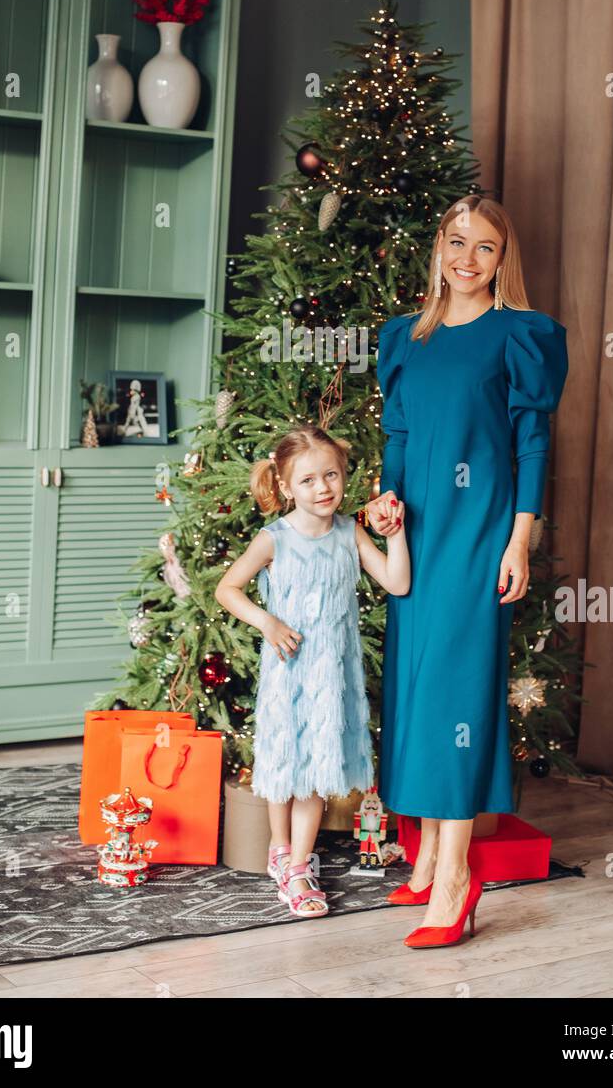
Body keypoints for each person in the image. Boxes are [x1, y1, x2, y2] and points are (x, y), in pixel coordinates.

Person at [367, 194, 569, 949]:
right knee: (417, 686)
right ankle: (424, 863)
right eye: (457, 241)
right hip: (417, 534)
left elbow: (532, 447)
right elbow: (399, 440)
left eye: (485, 248)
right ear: (439, 247)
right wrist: (384, 507)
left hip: (480, 532)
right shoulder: (404, 339)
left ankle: (455, 879)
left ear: (501, 260)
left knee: (457, 689)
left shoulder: (520, 336)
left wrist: (520, 542)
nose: (467, 258)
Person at [215, 424, 410, 918]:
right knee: (283, 764)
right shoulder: (273, 539)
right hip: (288, 671)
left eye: (331, 476)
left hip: (331, 676)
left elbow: (398, 582)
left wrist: (397, 535)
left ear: (344, 477)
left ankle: (299, 865)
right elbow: (227, 589)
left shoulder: (350, 532)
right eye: (308, 480)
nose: (322, 488)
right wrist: (267, 620)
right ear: (285, 486)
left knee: (317, 772)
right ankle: (281, 850)